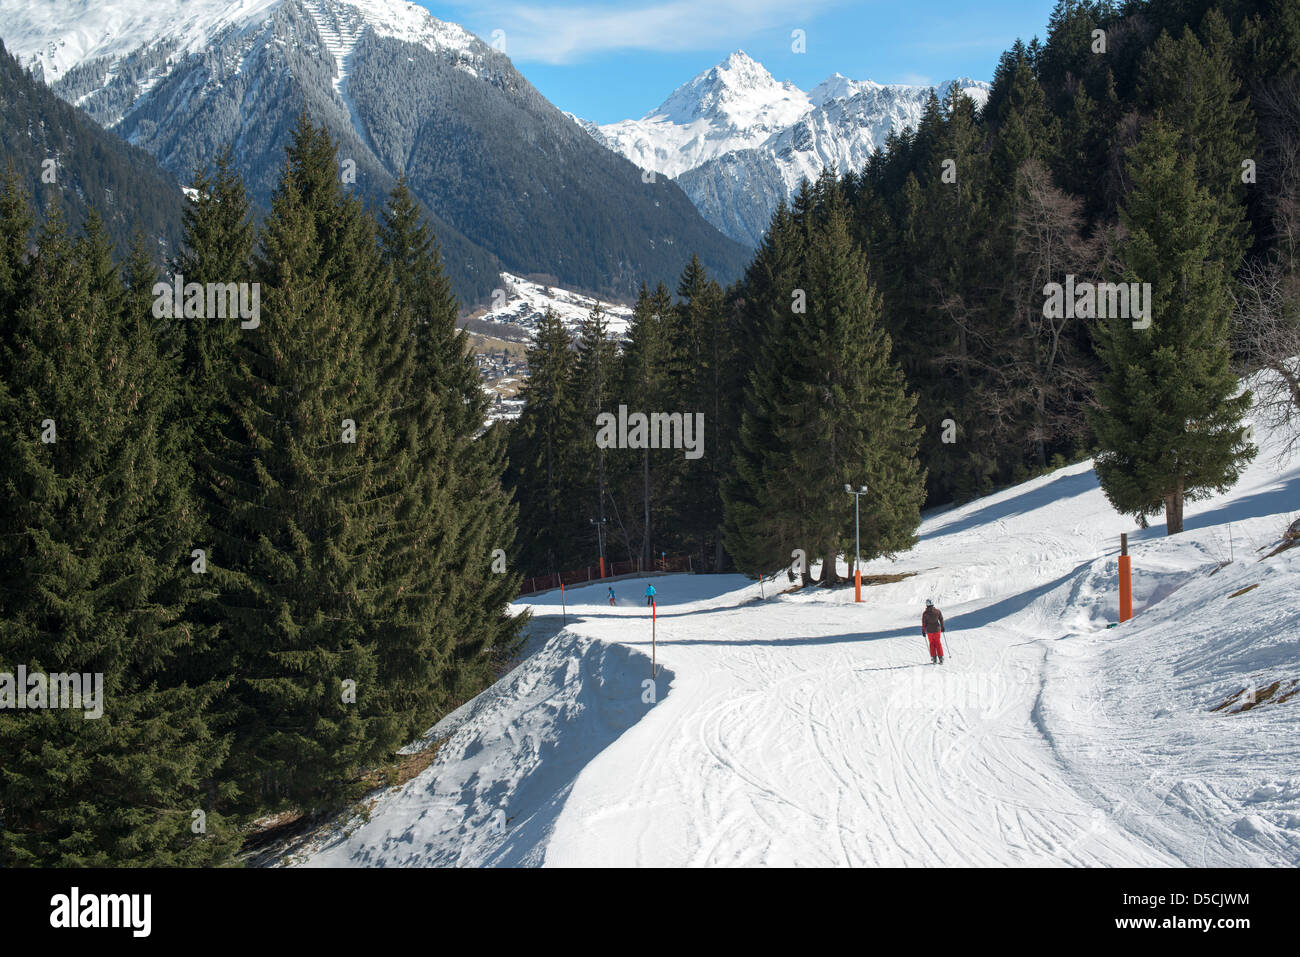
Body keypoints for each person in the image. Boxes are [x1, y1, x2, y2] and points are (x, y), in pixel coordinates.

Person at [921, 599, 946, 665]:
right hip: (937, 630)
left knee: (932, 644)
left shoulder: (925, 613)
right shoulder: (937, 611)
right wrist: (942, 627)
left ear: (927, 605)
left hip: (929, 631)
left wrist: (923, 631)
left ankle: (934, 658)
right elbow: (941, 619)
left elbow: (924, 623)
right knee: (938, 643)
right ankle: (941, 658)